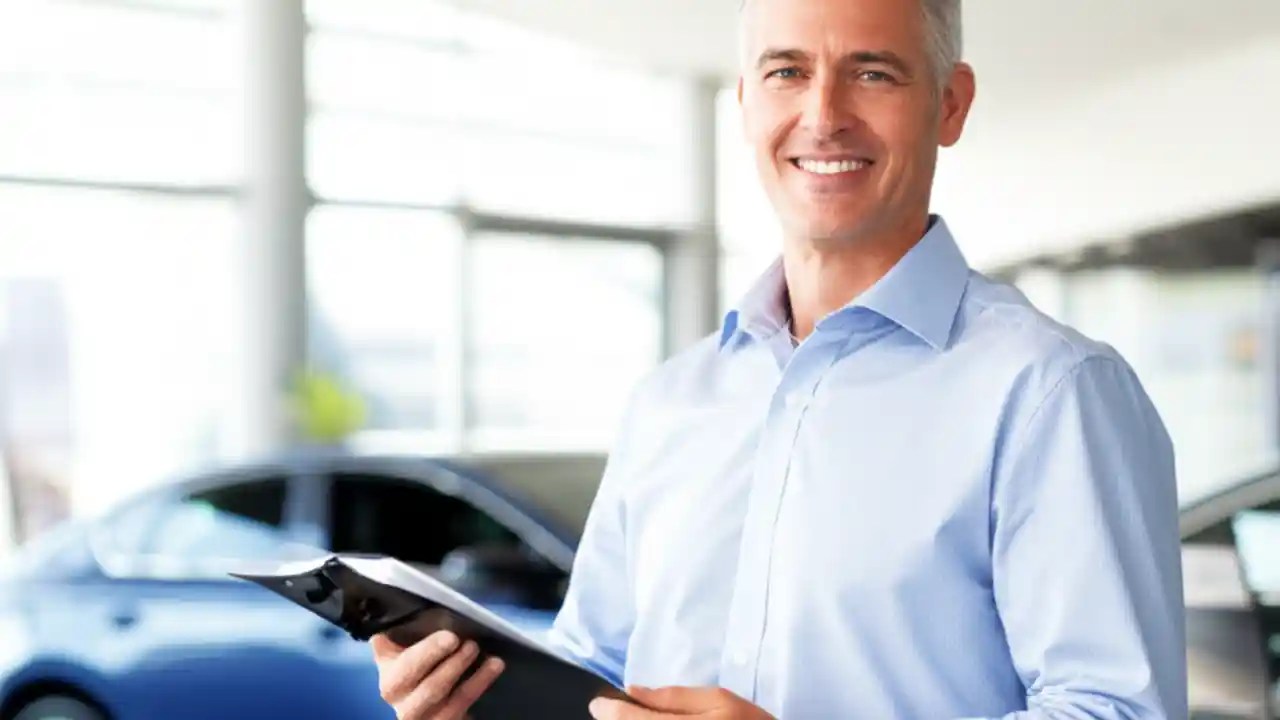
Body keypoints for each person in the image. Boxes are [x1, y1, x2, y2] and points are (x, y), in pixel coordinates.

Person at [371, 0, 1188, 717]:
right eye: (788, 72)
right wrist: (482, 705)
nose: (824, 115)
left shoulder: (1052, 393)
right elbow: (598, 682)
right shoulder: (671, 401)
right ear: (744, 102)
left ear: (951, 103)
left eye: (872, 73)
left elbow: (1114, 712)